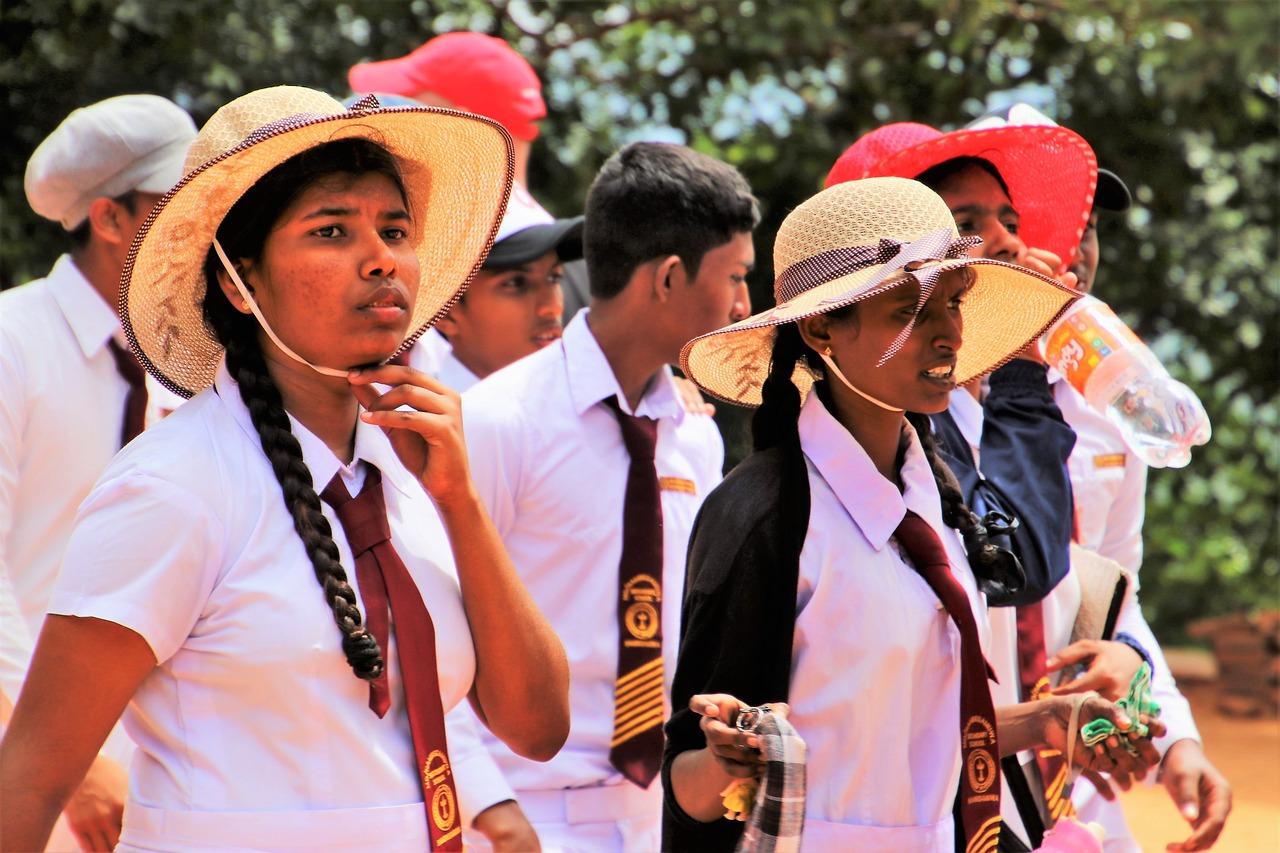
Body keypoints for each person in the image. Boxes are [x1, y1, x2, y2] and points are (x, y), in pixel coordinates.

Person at [0, 85, 569, 853]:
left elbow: (536, 727)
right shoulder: (172, 485)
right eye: (332, 230)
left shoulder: (415, 471)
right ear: (239, 280)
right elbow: (29, 780)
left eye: (395, 229)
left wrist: (461, 502)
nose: (380, 258)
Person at [664, 177, 1162, 852]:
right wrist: (731, 756)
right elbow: (689, 780)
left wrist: (1052, 717)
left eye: (954, 304)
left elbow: (911, 735)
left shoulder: (935, 494)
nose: (949, 333)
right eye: (909, 312)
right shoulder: (764, 517)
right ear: (820, 329)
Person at [459, 141, 756, 851]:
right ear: (670, 278)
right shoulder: (501, 419)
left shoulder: (694, 434)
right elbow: (436, 641)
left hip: (651, 811)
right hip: (519, 808)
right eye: (737, 278)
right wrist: (485, 807)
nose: (746, 305)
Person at [0, 93, 195, 852]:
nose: (201, 225)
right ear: (111, 219)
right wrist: (63, 759)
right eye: (175, 203)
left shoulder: (188, 361)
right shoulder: (12, 341)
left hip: (160, 770)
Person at [349, 30, 593, 323]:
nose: (389, 110)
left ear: (461, 120)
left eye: (409, 101)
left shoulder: (447, 252)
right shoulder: (577, 259)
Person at [428, 199, 582, 391]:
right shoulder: (407, 419)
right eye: (516, 283)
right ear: (446, 312)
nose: (552, 307)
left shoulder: (598, 412)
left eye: (554, 277)